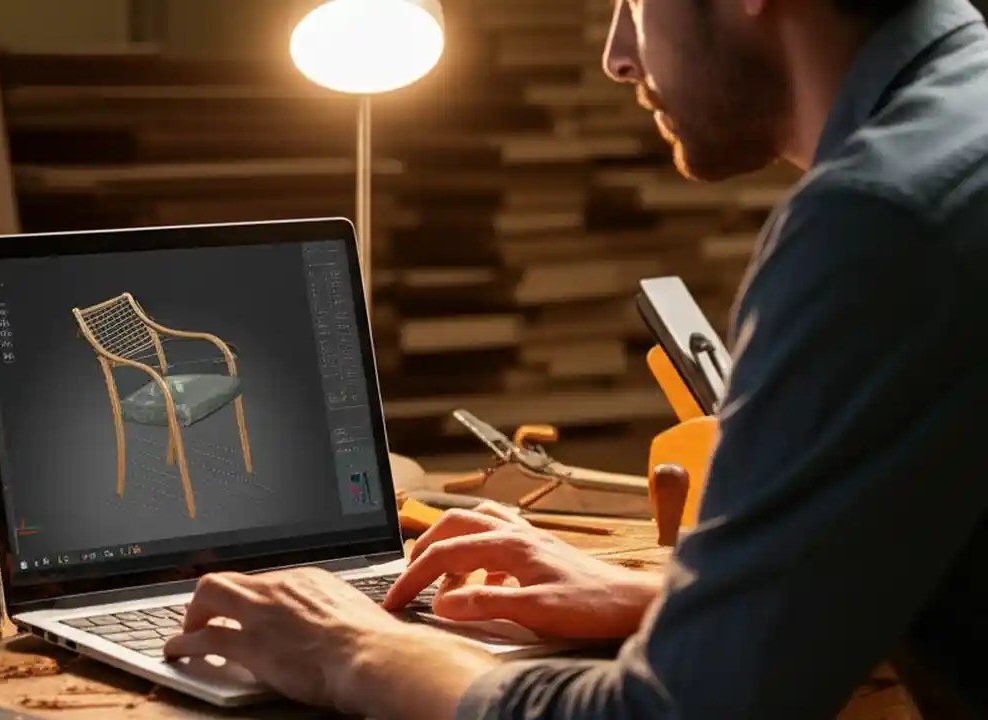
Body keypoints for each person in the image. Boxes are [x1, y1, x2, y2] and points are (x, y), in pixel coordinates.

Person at [164, 0, 988, 716]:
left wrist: (351, 649)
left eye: (634, 3)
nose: (618, 55)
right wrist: (687, 601)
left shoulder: (880, 222)